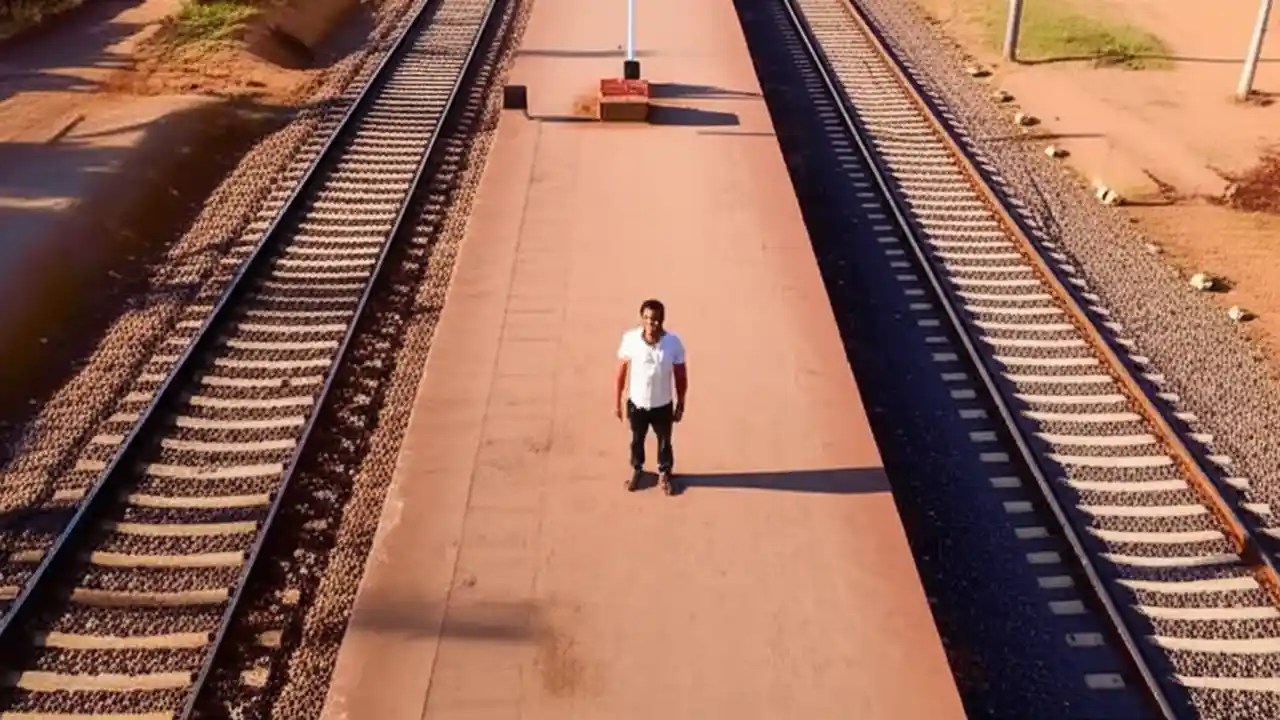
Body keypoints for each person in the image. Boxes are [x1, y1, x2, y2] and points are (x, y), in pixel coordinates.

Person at [615, 298, 687, 495]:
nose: (650, 323)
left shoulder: (673, 343)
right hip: (637, 404)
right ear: (641, 318)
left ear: (661, 320)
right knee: (637, 439)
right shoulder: (630, 339)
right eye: (646, 318)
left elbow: (681, 375)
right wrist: (617, 402)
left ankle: (664, 472)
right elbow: (621, 371)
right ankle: (638, 470)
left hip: (662, 405)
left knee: (665, 441)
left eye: (654, 319)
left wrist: (681, 404)